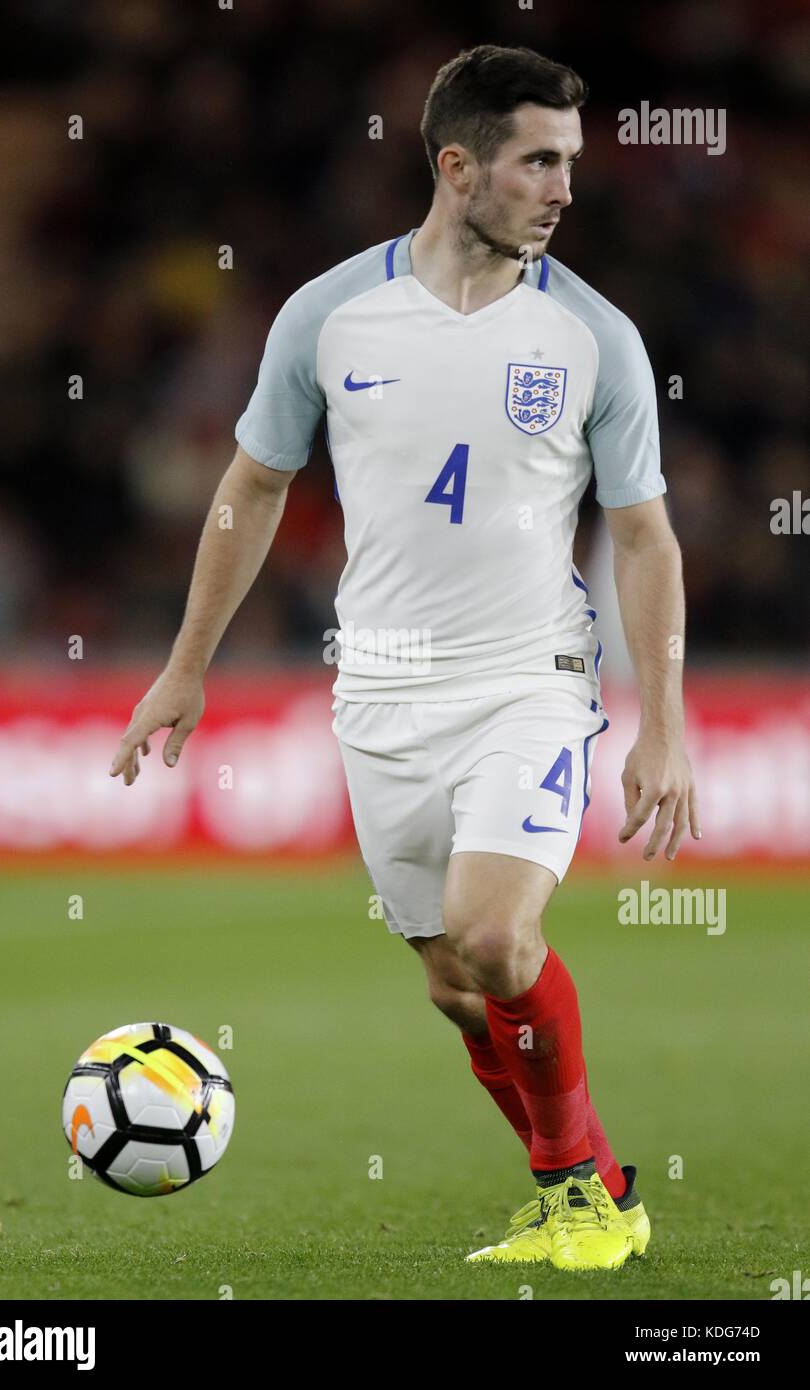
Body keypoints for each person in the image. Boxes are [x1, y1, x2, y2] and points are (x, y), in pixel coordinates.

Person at [111, 43, 701, 1272]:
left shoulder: (595, 337)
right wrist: (184, 663)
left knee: (496, 940)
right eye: (538, 161)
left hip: (525, 681)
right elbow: (251, 485)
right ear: (456, 165)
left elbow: (641, 533)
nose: (563, 188)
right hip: (376, 688)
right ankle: (582, 1182)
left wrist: (664, 719)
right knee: (454, 984)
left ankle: (580, 1197)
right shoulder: (327, 316)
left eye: (570, 162)